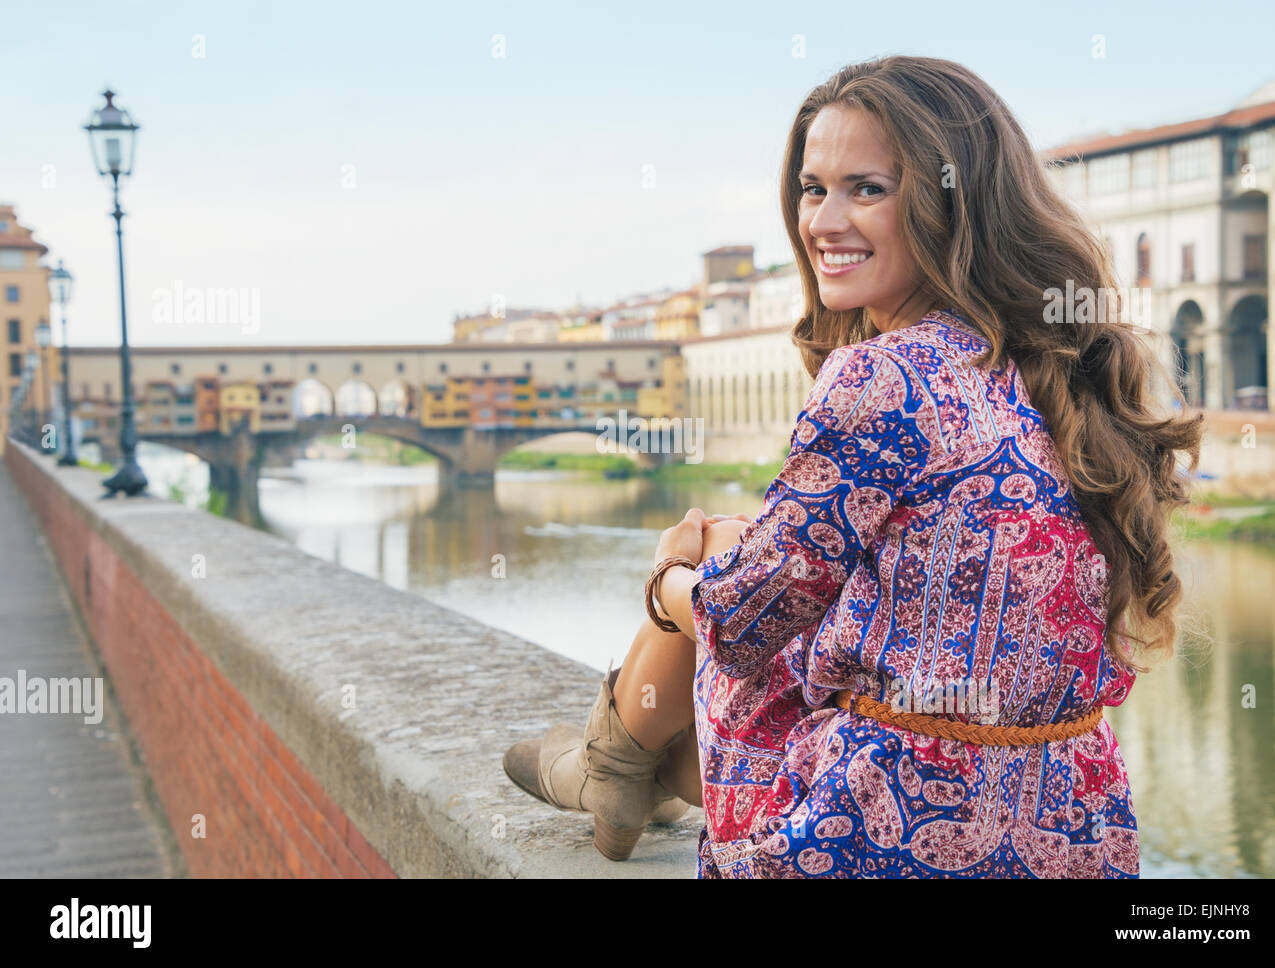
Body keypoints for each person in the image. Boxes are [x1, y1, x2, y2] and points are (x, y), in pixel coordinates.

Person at [503, 54, 1204, 877]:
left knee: (714, 567)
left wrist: (666, 575)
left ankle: (612, 767)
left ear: (952, 201)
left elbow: (741, 621)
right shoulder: (1060, 370)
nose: (823, 222)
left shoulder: (882, 374)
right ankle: (615, 768)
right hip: (1075, 826)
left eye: (867, 188)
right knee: (751, 552)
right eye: (812, 188)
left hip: (886, 833)